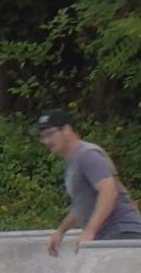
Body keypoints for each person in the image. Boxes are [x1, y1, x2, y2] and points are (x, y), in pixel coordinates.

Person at [35, 109, 141, 256]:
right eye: (43, 137)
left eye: (50, 134)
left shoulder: (88, 155)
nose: (47, 141)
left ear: (67, 130)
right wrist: (61, 231)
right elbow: (81, 207)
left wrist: (90, 231)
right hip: (107, 235)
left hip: (121, 232)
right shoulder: (73, 163)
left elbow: (109, 192)